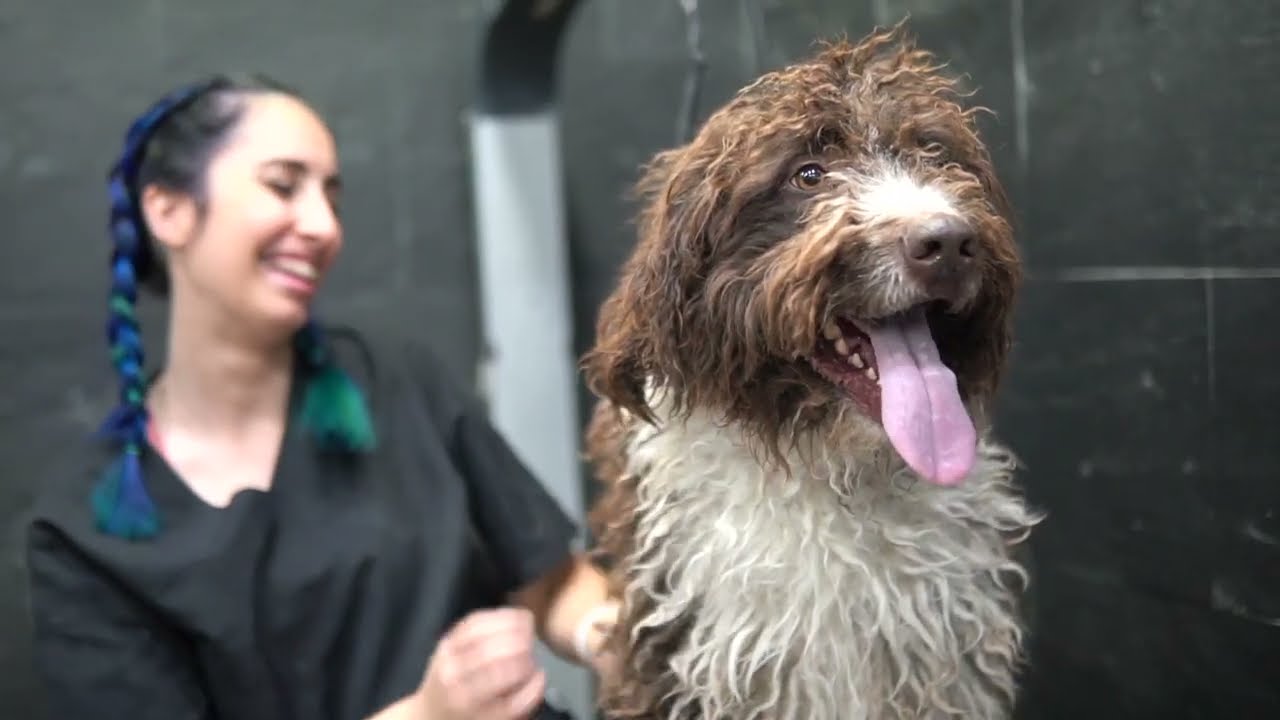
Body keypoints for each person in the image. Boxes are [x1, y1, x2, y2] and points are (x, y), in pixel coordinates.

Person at [24, 73, 619, 720]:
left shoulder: (398, 383)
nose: (323, 225)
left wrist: (614, 640)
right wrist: (428, 715)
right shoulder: (81, 535)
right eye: (283, 186)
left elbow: (555, 584)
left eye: (332, 196)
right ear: (168, 210)